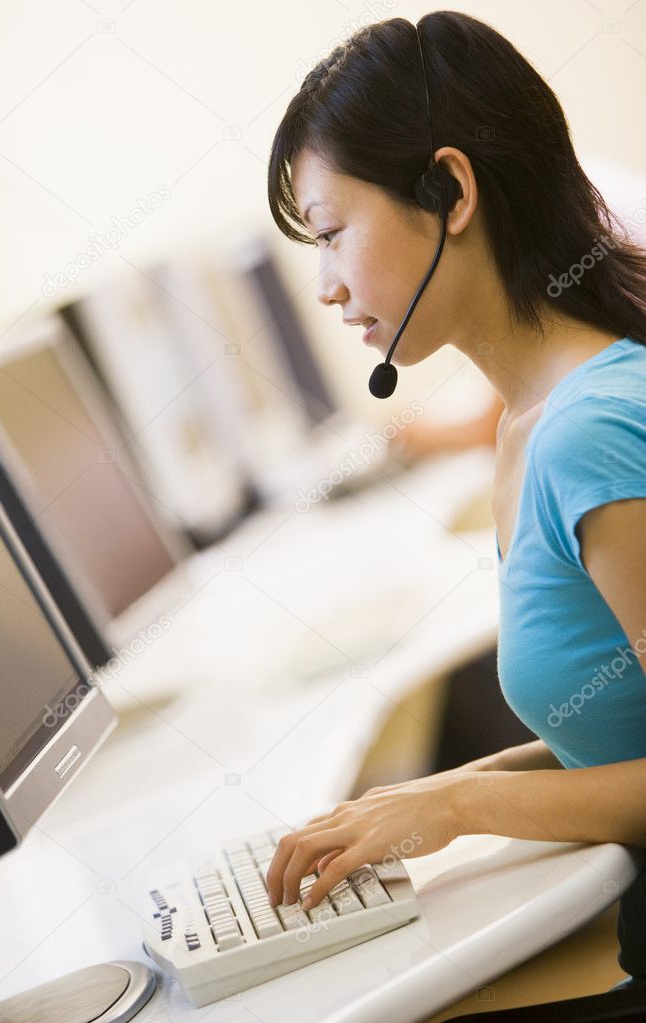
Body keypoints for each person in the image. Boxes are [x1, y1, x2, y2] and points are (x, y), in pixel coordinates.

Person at [263, 10, 646, 992]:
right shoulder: (532, 416)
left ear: (451, 190)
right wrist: (424, 795)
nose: (324, 285)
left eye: (334, 232)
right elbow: (607, 731)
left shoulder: (585, 433)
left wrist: (457, 813)